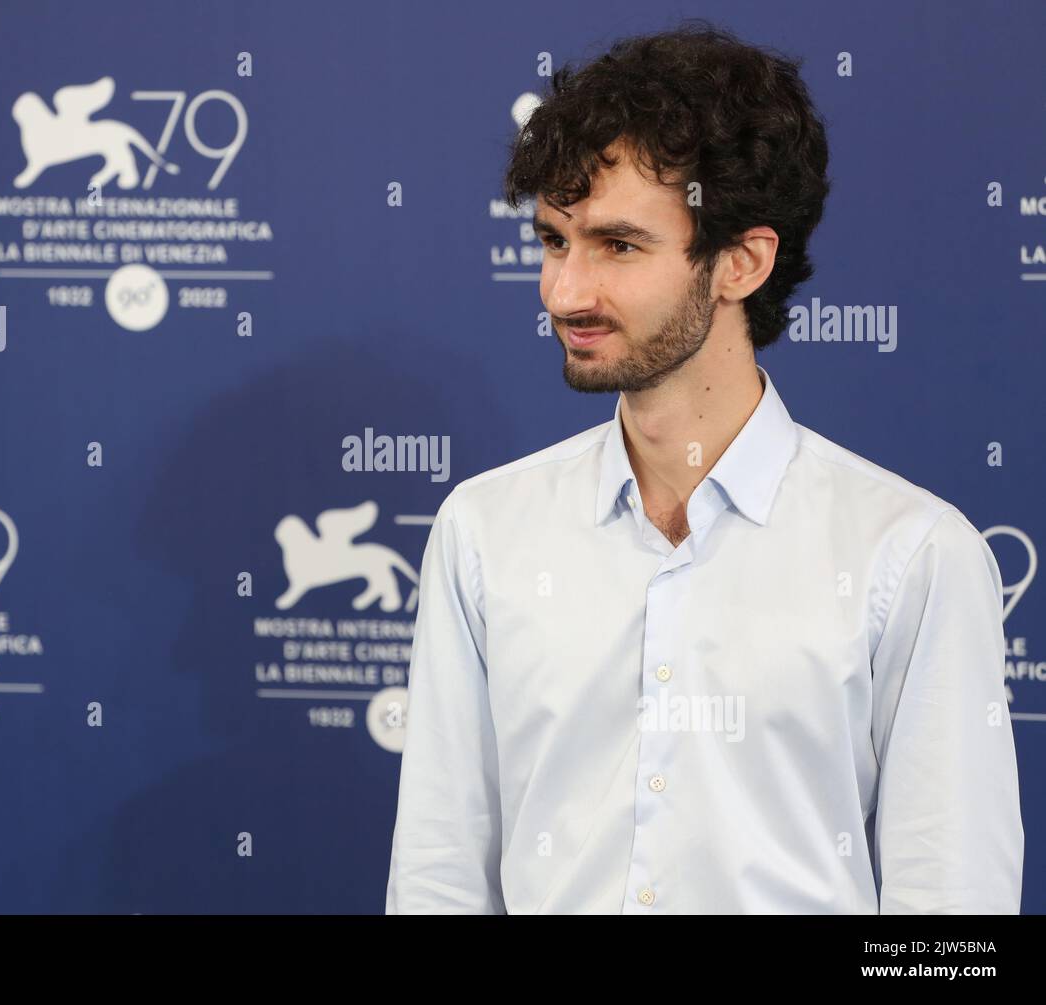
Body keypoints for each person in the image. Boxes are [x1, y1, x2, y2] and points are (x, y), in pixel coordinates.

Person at [384, 20, 1023, 914]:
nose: (564, 291)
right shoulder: (484, 530)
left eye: (618, 245)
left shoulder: (908, 553)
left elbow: (950, 917)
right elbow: (440, 876)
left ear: (742, 261)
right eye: (553, 241)